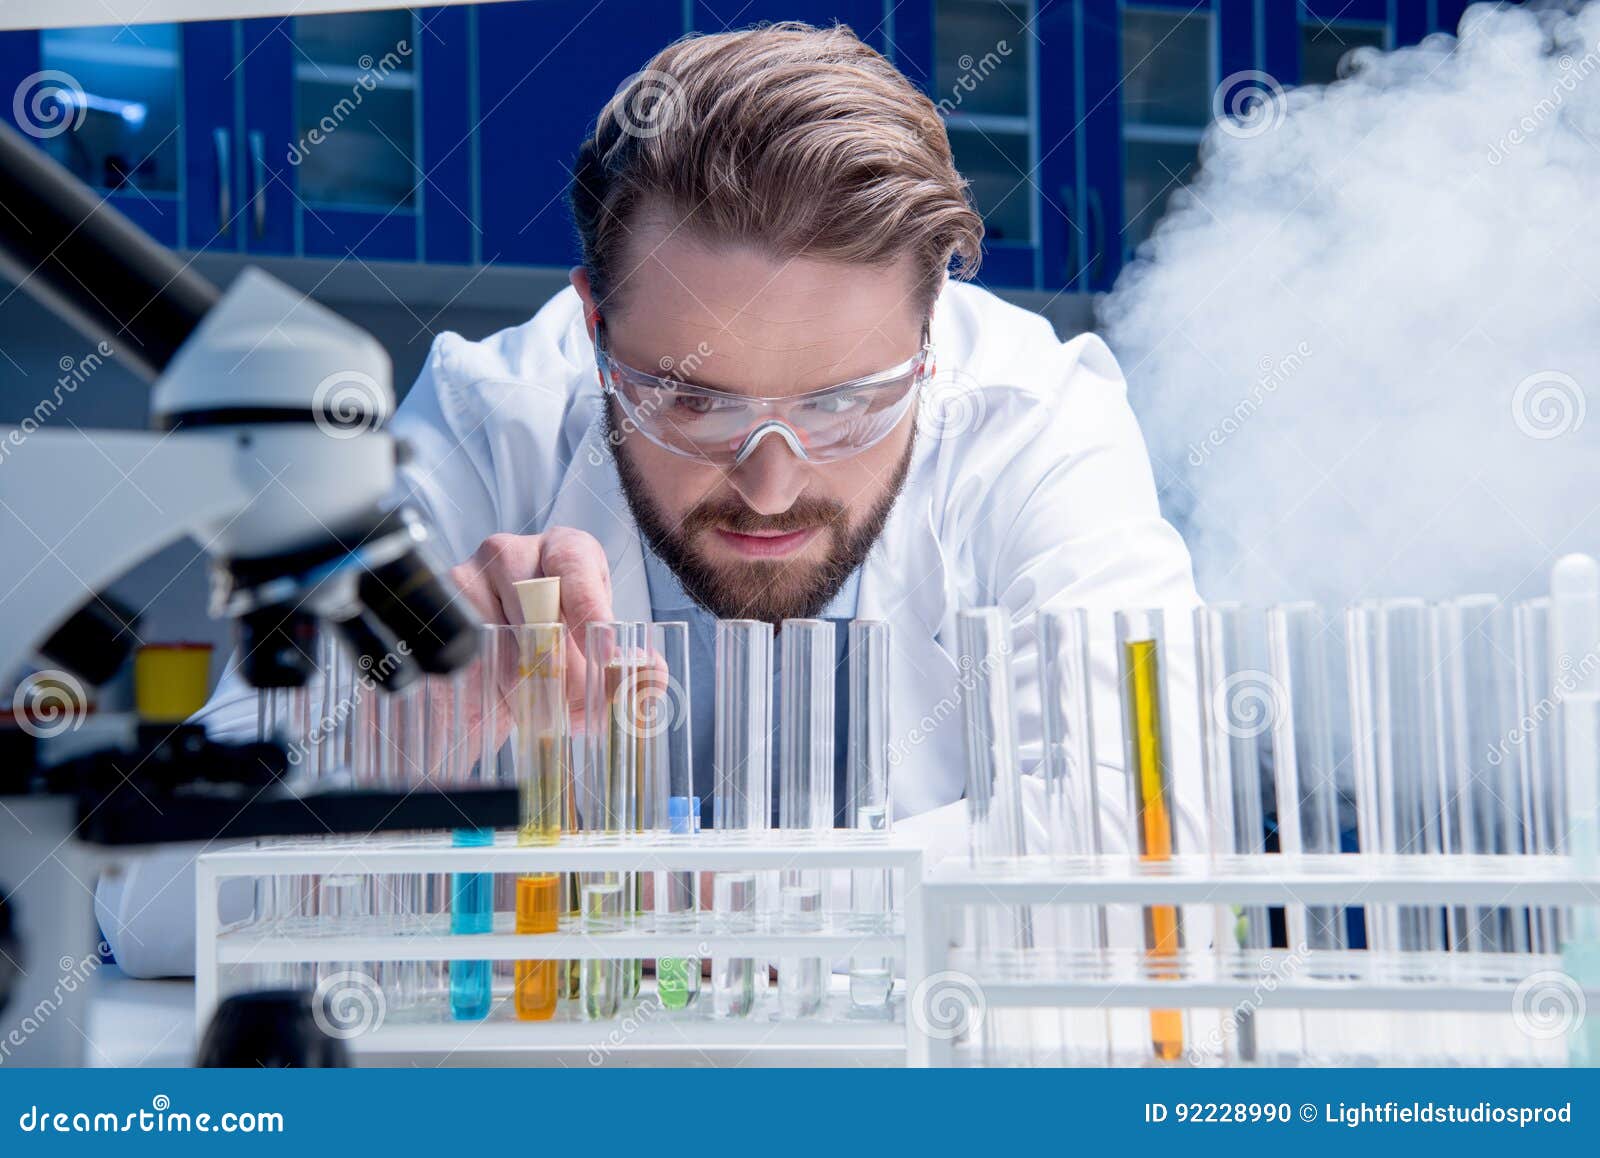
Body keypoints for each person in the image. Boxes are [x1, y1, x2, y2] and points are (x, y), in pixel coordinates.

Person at [99, 22, 1200, 977]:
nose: (770, 484)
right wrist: (395, 743)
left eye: (842, 404)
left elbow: (1162, 842)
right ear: (593, 327)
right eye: (692, 400)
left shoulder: (1035, 420)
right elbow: (146, 905)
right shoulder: (492, 423)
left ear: (929, 340)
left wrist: (683, 906)